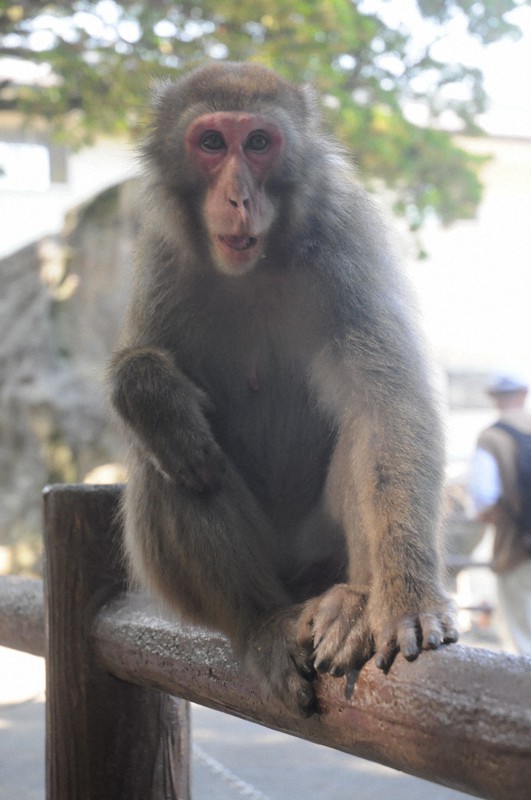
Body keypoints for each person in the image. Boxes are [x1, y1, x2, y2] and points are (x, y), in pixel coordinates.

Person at [468, 373, 531, 654]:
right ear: (524, 395)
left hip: (516, 548)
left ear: (495, 399)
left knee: (523, 633)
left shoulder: (491, 438)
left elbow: (483, 497)